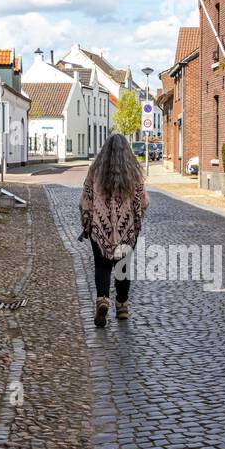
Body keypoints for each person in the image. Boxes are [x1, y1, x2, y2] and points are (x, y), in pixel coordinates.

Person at [79, 133, 149, 327]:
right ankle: (122, 306)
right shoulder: (133, 172)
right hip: (126, 230)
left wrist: (87, 221)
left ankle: (102, 299)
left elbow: (86, 198)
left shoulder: (95, 170)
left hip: (100, 227)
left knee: (102, 265)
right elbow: (142, 201)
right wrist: (135, 220)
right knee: (122, 266)